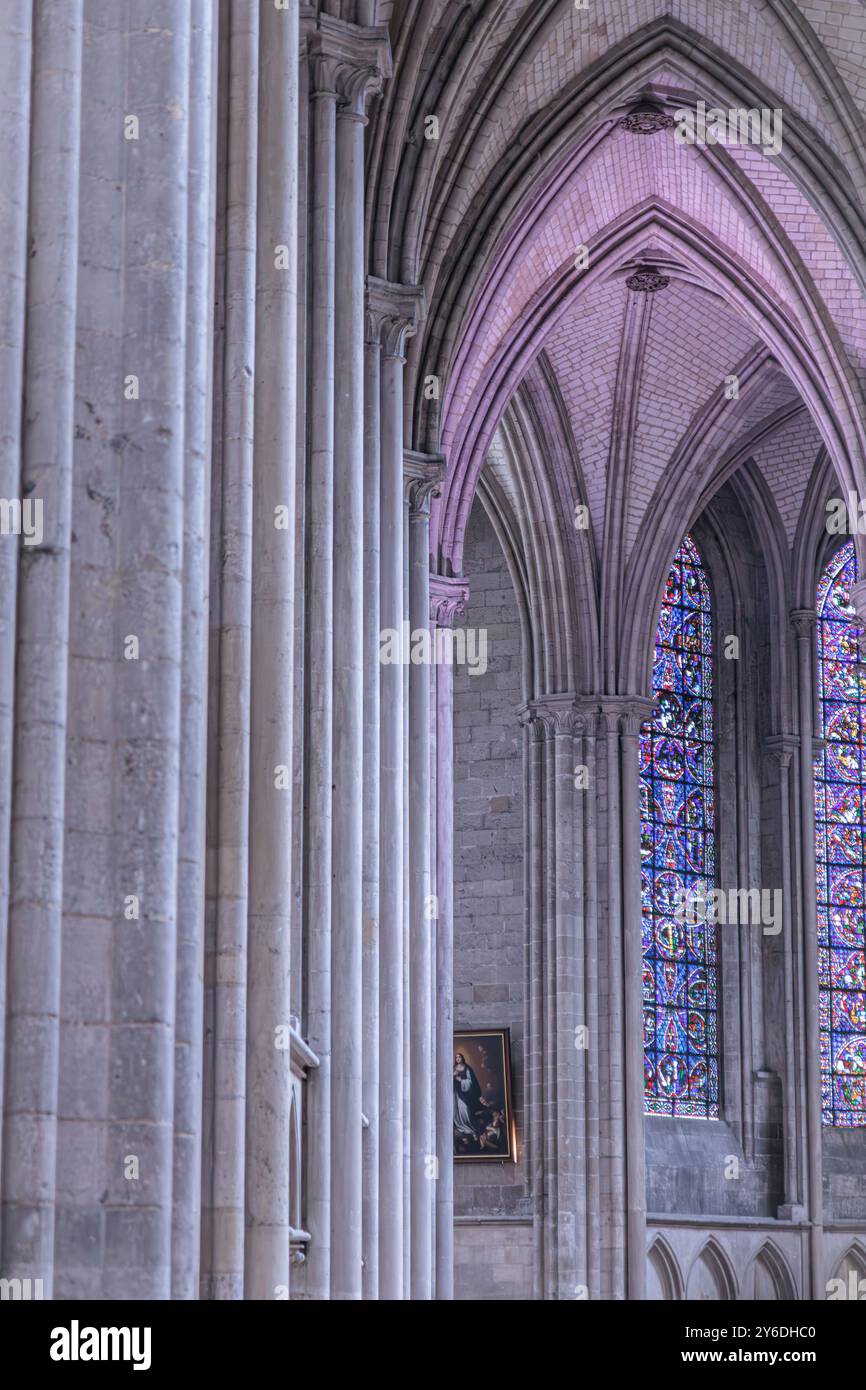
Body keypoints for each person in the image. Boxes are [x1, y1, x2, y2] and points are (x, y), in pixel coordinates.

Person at [453, 1052, 484, 1145]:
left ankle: (471, 1129)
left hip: (465, 1094)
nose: (458, 1059)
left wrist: (461, 1080)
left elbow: (471, 1082)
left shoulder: (467, 1068)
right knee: (456, 1112)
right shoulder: (453, 1069)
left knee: (465, 1110)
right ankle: (460, 1128)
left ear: (462, 1058)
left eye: (459, 1057)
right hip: (455, 1093)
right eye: (456, 1057)